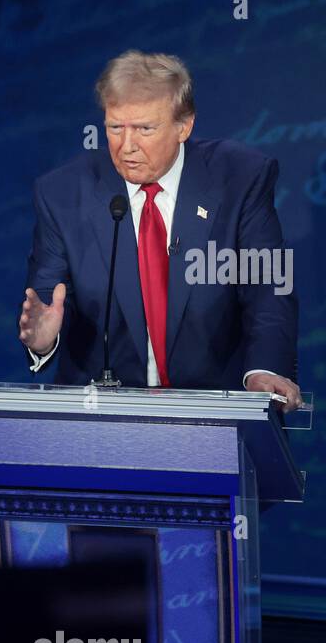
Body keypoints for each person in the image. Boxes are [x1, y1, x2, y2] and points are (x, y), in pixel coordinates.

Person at [19, 50, 302, 410]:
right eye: (115, 128)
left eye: (144, 129)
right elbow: (50, 298)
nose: (127, 146)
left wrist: (265, 369)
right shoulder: (62, 193)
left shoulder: (240, 179)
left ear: (184, 126)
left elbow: (267, 288)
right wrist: (44, 339)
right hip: (102, 418)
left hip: (215, 407)